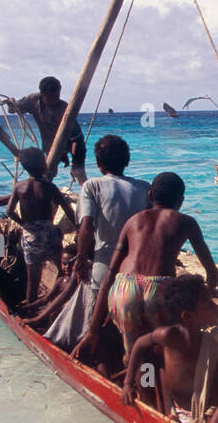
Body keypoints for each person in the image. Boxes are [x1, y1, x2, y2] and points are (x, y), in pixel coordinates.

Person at [73, 171, 218, 364]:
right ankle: (159, 388)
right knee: (161, 351)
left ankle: (141, 387)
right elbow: (211, 270)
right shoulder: (186, 221)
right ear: (181, 201)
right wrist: (210, 290)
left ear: (150, 196)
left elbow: (110, 275)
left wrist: (92, 330)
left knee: (136, 354)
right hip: (160, 288)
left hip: (124, 287)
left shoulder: (132, 221)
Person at [45, 134, 149, 350]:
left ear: (100, 165)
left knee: (92, 320)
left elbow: (86, 227)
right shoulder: (144, 187)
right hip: (138, 271)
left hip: (105, 269)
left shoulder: (92, 186)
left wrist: (81, 259)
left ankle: (86, 351)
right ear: (127, 161)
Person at [121, 273, 218, 419]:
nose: (215, 306)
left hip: (199, 404)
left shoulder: (206, 339)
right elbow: (139, 345)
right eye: (208, 303)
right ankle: (151, 406)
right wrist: (127, 384)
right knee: (146, 366)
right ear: (187, 316)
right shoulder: (169, 335)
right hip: (180, 409)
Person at [5, 147, 76, 305]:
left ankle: (31, 306)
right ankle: (57, 300)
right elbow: (67, 209)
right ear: (43, 165)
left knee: (33, 278)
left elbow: (9, 211)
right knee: (59, 268)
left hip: (31, 235)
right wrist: (77, 226)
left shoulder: (20, 186)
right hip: (50, 233)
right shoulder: (49, 187)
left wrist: (24, 223)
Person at [5, 77, 87, 185]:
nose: (54, 100)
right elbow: (13, 110)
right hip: (50, 145)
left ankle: (89, 195)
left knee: (78, 172)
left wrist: (74, 163)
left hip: (74, 144)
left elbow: (76, 139)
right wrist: (11, 103)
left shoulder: (64, 109)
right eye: (50, 98)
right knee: (45, 174)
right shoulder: (33, 100)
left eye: (56, 96)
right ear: (42, 93)